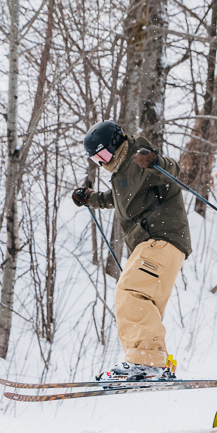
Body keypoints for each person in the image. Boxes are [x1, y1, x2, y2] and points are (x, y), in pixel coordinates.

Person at [71, 120, 192, 382]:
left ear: (116, 146)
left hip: (160, 239)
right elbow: (113, 199)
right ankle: (155, 361)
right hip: (163, 244)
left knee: (130, 293)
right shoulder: (122, 175)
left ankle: (146, 361)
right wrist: (89, 198)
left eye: (103, 155)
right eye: (96, 159)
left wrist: (154, 160)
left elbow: (170, 170)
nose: (102, 162)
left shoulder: (140, 158)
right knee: (143, 302)